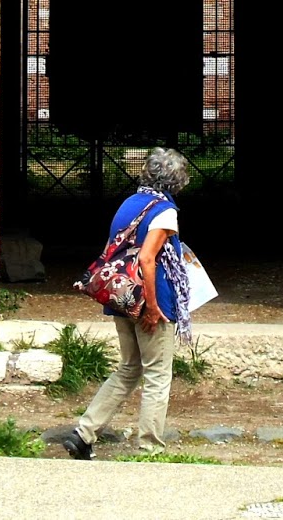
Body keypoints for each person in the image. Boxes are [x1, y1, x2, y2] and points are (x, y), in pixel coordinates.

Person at [65, 147, 192, 458]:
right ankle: (150, 447)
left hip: (121, 295)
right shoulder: (165, 211)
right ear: (175, 182)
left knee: (128, 368)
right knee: (158, 375)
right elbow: (148, 259)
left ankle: (84, 434)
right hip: (151, 299)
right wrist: (152, 306)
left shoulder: (130, 203)